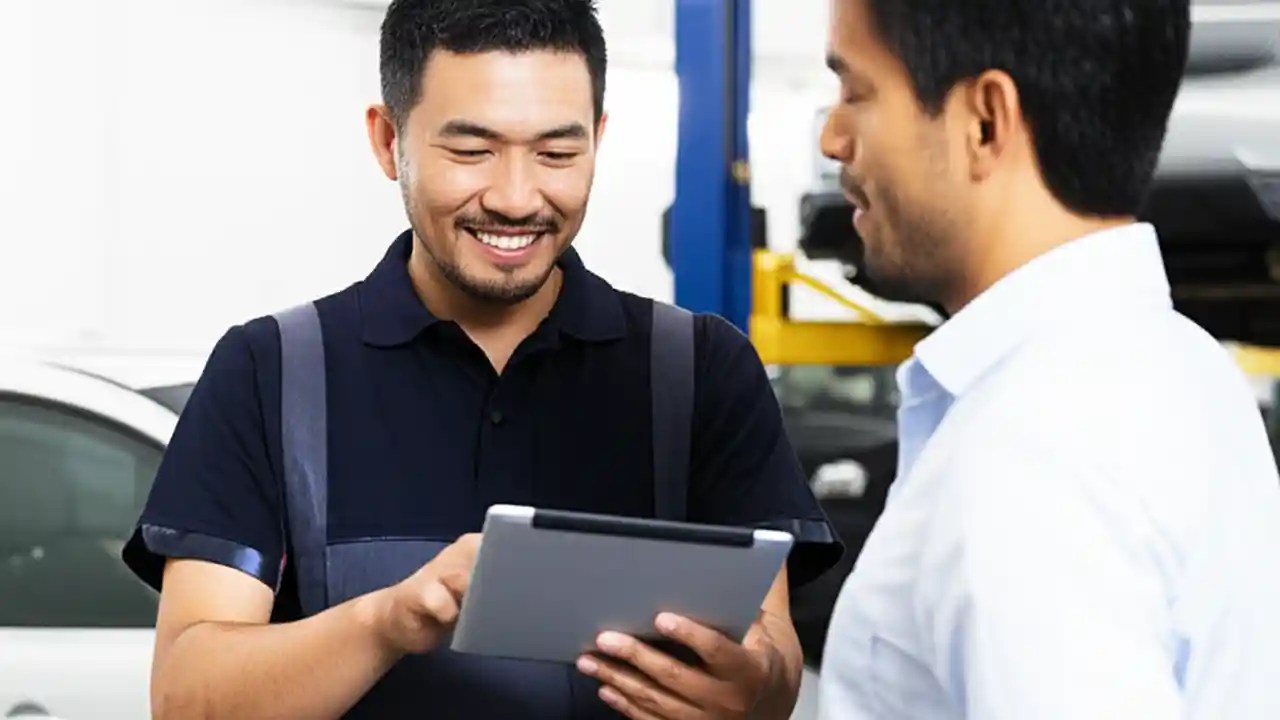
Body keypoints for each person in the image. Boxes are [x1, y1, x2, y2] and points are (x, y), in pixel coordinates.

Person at [121, 1, 842, 718]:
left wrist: (745, 686)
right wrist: (385, 623)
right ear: (387, 140)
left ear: (598, 138)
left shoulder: (702, 372)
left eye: (557, 153)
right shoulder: (270, 374)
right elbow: (189, 697)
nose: (516, 197)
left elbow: (771, 664)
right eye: (471, 151)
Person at [815, 0, 1280, 718]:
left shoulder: (1030, 457)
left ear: (984, 122)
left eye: (856, 92)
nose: (832, 137)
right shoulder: (1187, 369)